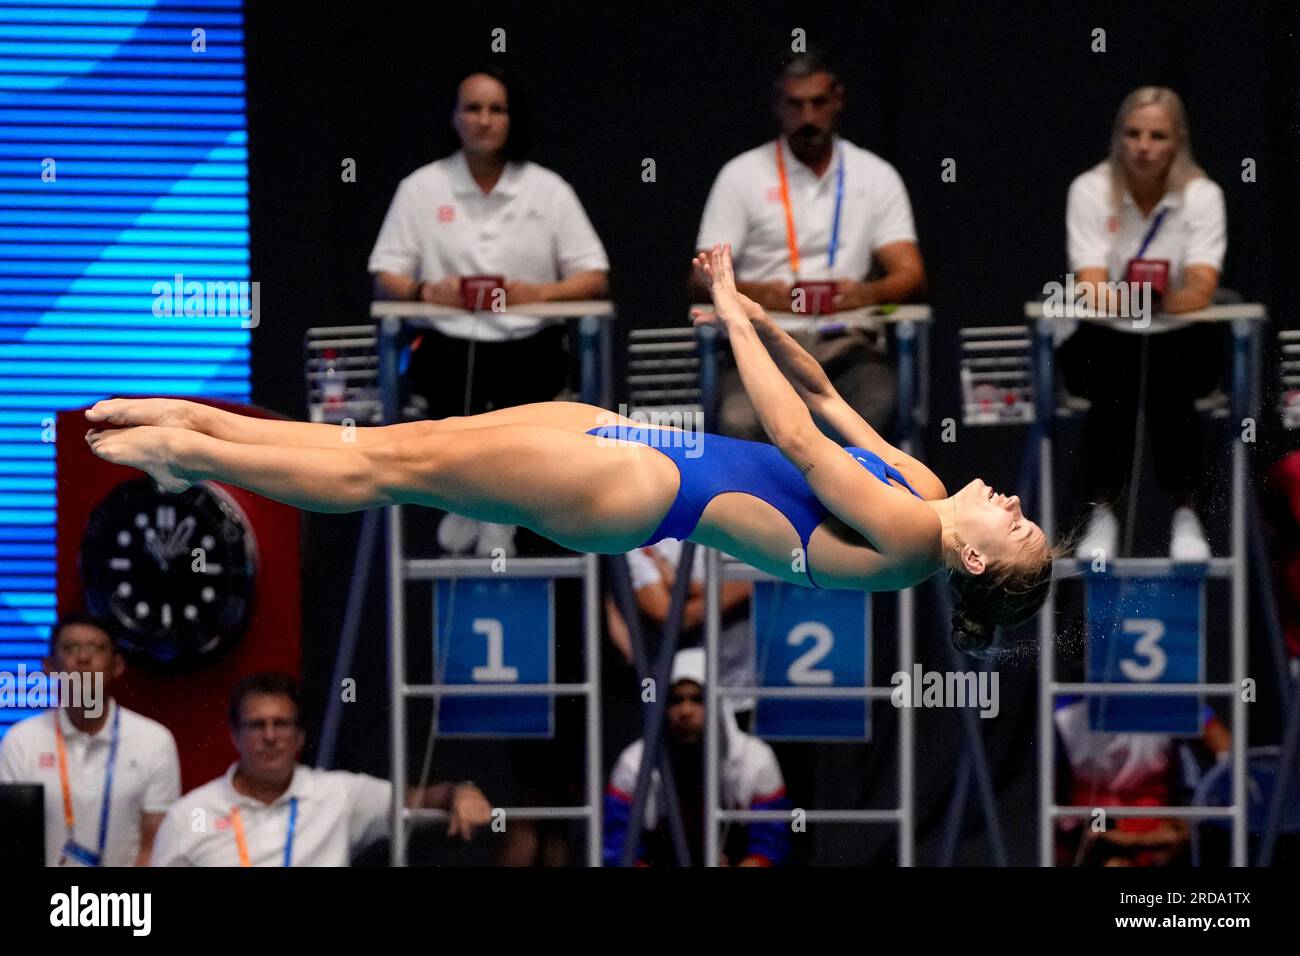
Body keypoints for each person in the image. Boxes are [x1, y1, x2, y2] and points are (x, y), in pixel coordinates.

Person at [84, 245, 1055, 655]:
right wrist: (762, 313)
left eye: (1013, 529)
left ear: (972, 560)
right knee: (393, 442)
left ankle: (199, 456)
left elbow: (794, 436)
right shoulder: (922, 485)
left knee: (389, 472)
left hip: (634, 490)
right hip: (638, 446)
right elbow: (826, 394)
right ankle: (195, 426)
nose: (1013, 505)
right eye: (1023, 512)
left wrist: (726, 316)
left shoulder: (900, 539)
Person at [369, 63, 610, 557]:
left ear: (511, 119)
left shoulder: (548, 189)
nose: (483, 120)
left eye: (496, 109)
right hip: (448, 346)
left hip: (529, 347)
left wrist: (538, 294)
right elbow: (385, 275)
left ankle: (482, 506)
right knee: (448, 378)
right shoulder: (421, 188)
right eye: (472, 108)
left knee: (527, 392)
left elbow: (595, 275)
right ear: (455, 118)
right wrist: (424, 291)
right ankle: (489, 506)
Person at [691, 47, 925, 439]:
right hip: (763, 346)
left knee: (876, 405)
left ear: (838, 101)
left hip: (847, 346)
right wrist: (768, 296)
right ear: (777, 106)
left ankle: (846, 503)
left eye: (818, 103)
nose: (808, 118)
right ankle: (760, 503)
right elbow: (700, 278)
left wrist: (865, 293)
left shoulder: (876, 175)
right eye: (796, 105)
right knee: (738, 419)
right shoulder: (741, 176)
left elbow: (911, 273)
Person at [1059, 87, 1228, 562]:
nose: (1144, 146)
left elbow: (1201, 286)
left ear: (1177, 142)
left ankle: (1187, 515)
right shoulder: (1089, 190)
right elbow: (1090, 285)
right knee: (1116, 373)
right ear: (1118, 138)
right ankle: (1102, 512)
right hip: (1108, 338)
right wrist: (1143, 302)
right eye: (1133, 134)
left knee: (1169, 380)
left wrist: (1156, 302)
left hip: (1179, 337)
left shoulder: (1202, 196)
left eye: (1157, 136)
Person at [150, 672, 492, 866]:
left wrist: (457, 792)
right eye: (257, 725)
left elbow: (413, 800)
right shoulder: (189, 816)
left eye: (281, 724)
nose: (270, 737)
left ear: (299, 736)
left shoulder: (338, 795)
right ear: (234, 735)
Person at [0, 613, 180, 866]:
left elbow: (155, 846)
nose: (83, 658)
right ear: (49, 666)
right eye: (70, 648)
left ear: (117, 665)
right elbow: (13, 844)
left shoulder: (153, 741)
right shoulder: (21, 741)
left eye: (96, 648)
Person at [603, 649, 789, 866]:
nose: (685, 711)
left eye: (698, 699)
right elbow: (617, 844)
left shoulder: (756, 760)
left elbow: (774, 841)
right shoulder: (634, 763)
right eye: (675, 700)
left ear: (718, 705)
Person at [1053, 697, 1230, 867]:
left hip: (1162, 840)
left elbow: (1229, 755)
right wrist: (1140, 840)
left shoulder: (1170, 699)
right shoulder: (1063, 714)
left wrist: (1186, 829)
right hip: (1091, 843)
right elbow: (1064, 818)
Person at [605, 539, 756, 718]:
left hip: (752, 686)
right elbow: (671, 617)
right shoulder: (639, 535)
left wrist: (681, 585)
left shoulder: (734, 519)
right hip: (681, 692)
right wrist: (746, 583)